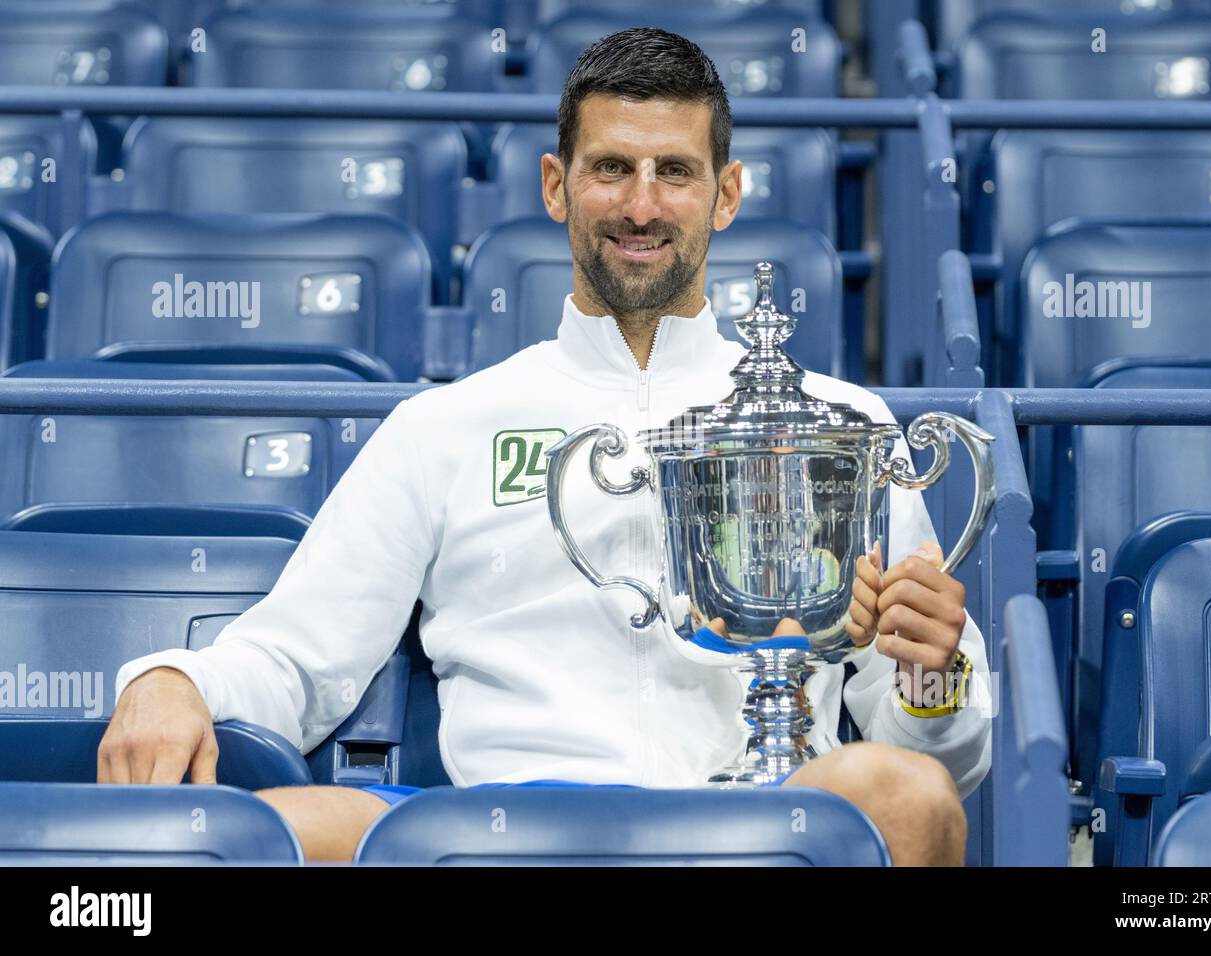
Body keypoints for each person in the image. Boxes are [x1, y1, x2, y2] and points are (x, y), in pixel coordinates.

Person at [100, 27, 990, 865]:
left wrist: (935, 676)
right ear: (556, 186)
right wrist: (173, 680)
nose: (641, 206)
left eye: (673, 171)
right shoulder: (442, 427)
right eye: (611, 169)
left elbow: (942, 756)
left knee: (903, 793)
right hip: (500, 835)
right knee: (266, 834)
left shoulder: (838, 424)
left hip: (756, 825)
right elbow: (295, 656)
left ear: (726, 193)